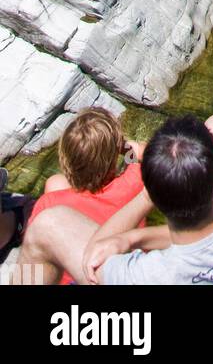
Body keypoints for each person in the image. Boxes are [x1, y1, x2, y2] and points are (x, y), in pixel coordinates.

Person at [19, 112, 213, 286]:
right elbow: (202, 238)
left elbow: (95, 252)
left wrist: (142, 206)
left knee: (46, 225)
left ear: (153, 197)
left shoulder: (148, 274)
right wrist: (136, 237)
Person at [11, 109, 145, 284]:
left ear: (65, 158)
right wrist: (125, 147)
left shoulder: (50, 203)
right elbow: (143, 152)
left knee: (54, 183)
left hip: (66, 280)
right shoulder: (135, 181)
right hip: (115, 274)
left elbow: (35, 245)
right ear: (113, 158)